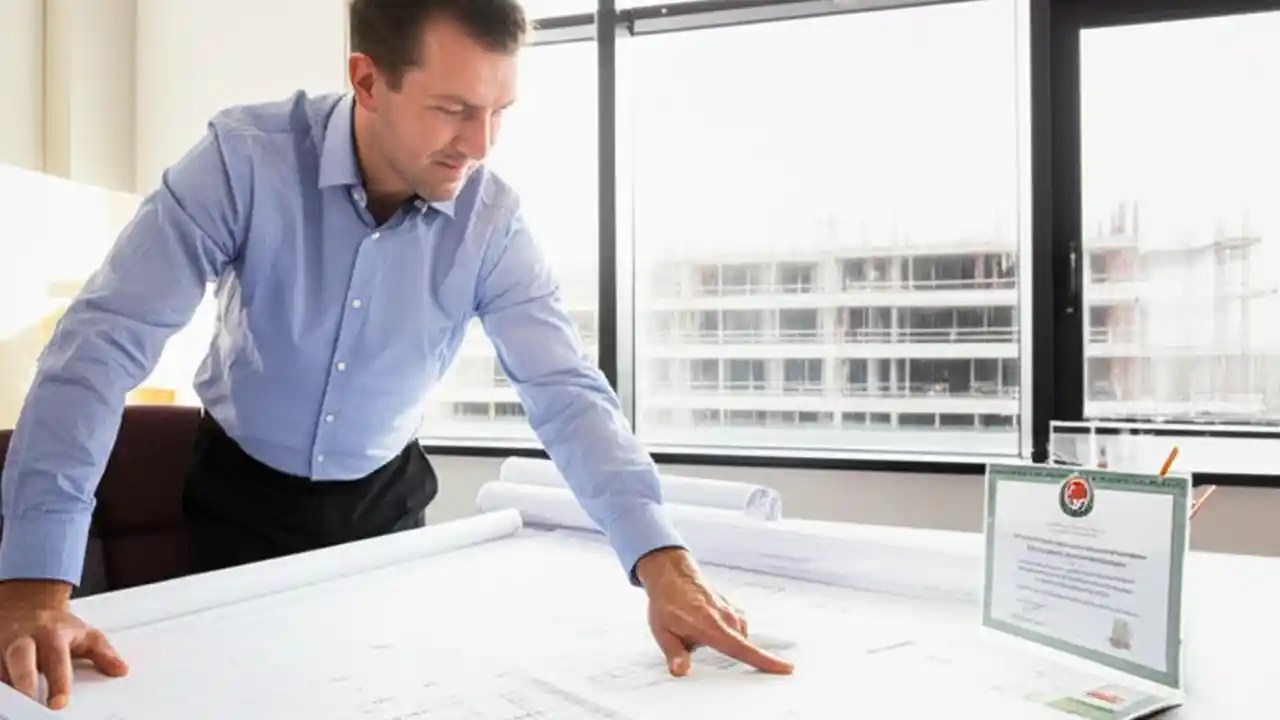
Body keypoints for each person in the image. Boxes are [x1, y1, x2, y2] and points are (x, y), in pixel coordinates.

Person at [0, 0, 793, 710]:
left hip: (387, 506)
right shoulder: (243, 161)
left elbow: (566, 390)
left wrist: (661, 558)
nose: (479, 146)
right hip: (239, 497)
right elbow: (100, 346)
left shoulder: (493, 223)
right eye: (453, 110)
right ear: (368, 80)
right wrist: (35, 586)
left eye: (498, 113)